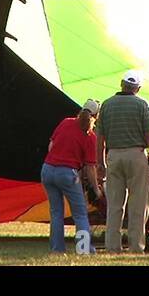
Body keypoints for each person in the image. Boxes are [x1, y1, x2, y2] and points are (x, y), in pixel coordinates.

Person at [97, 70, 149, 253]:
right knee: (139, 205)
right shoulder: (142, 104)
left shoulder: (107, 105)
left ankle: (112, 246)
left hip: (114, 156)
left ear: (121, 84)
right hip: (137, 156)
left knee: (115, 205)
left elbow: (100, 138)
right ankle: (136, 246)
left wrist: (100, 163)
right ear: (138, 88)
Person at [41, 100, 103, 254]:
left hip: (47, 170)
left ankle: (57, 249)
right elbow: (90, 167)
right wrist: (96, 189)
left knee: (56, 212)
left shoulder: (66, 122)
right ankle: (83, 249)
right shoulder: (90, 136)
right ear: (96, 116)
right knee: (80, 213)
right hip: (67, 174)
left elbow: (51, 146)